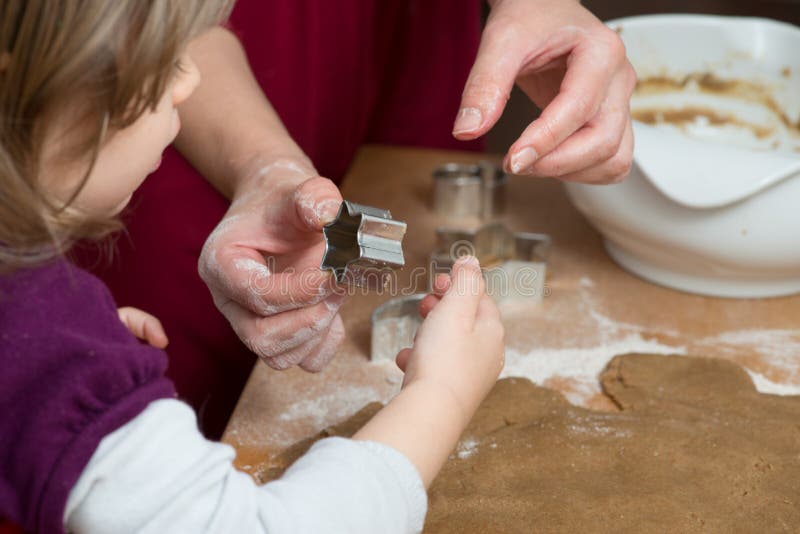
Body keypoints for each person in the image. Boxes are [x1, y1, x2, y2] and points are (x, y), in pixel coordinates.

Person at [0, 2, 504, 532]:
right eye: (165, 61)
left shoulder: (34, 323)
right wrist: (440, 394)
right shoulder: (37, 341)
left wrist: (69, 345)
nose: (191, 80)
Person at [78, 0, 636, 438]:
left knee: (392, 217)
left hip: (407, 26)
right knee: (209, 359)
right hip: (232, 38)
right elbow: (127, 22)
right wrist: (264, 169)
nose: (179, 83)